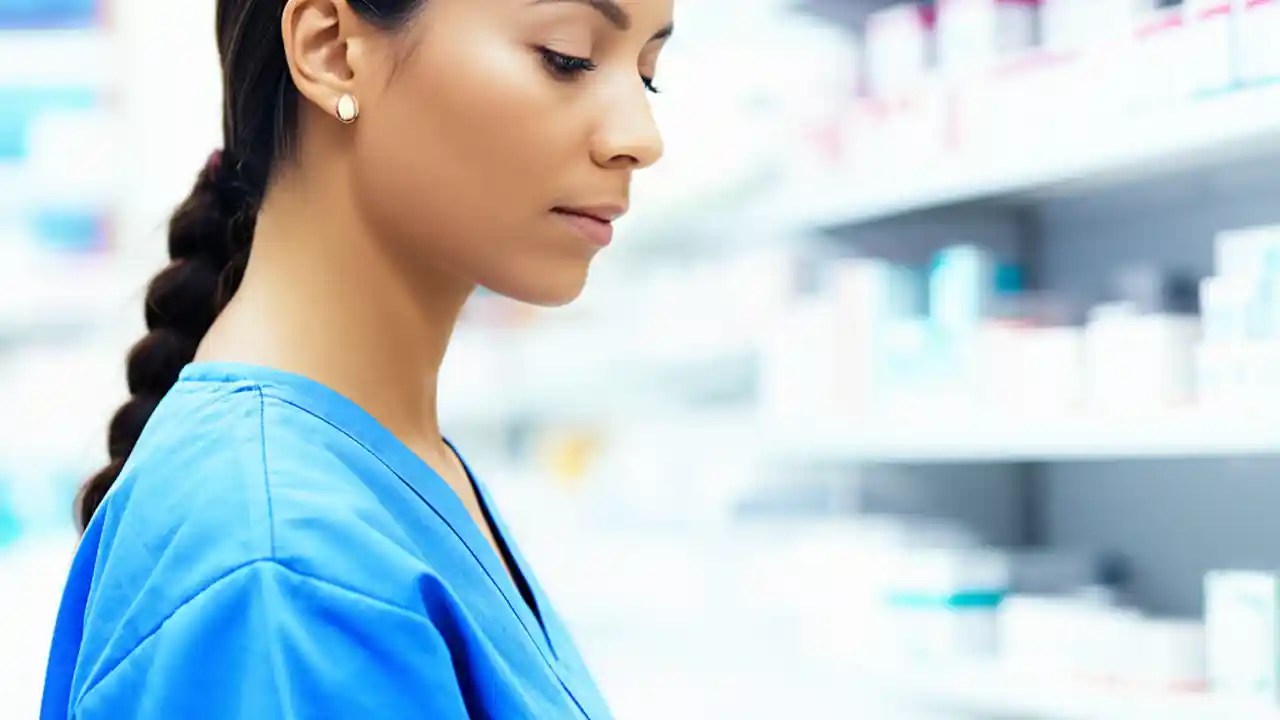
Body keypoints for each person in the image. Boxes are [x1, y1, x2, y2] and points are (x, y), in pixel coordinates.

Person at [40, 0, 672, 716]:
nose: (640, 138)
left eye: (648, 74)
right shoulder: (281, 568)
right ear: (333, 49)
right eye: (568, 57)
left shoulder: (379, 469)